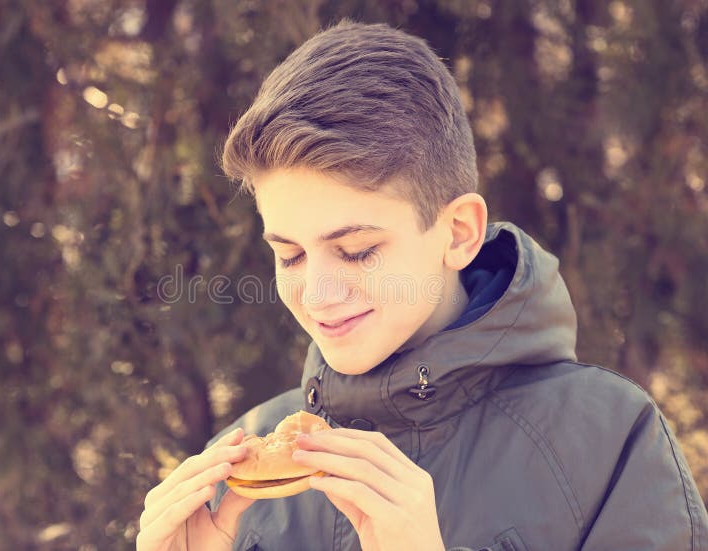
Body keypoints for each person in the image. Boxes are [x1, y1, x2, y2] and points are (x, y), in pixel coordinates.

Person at [136, 18, 708, 551]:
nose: (317, 294)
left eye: (357, 251)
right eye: (289, 256)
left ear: (458, 233)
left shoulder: (610, 443)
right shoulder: (237, 473)